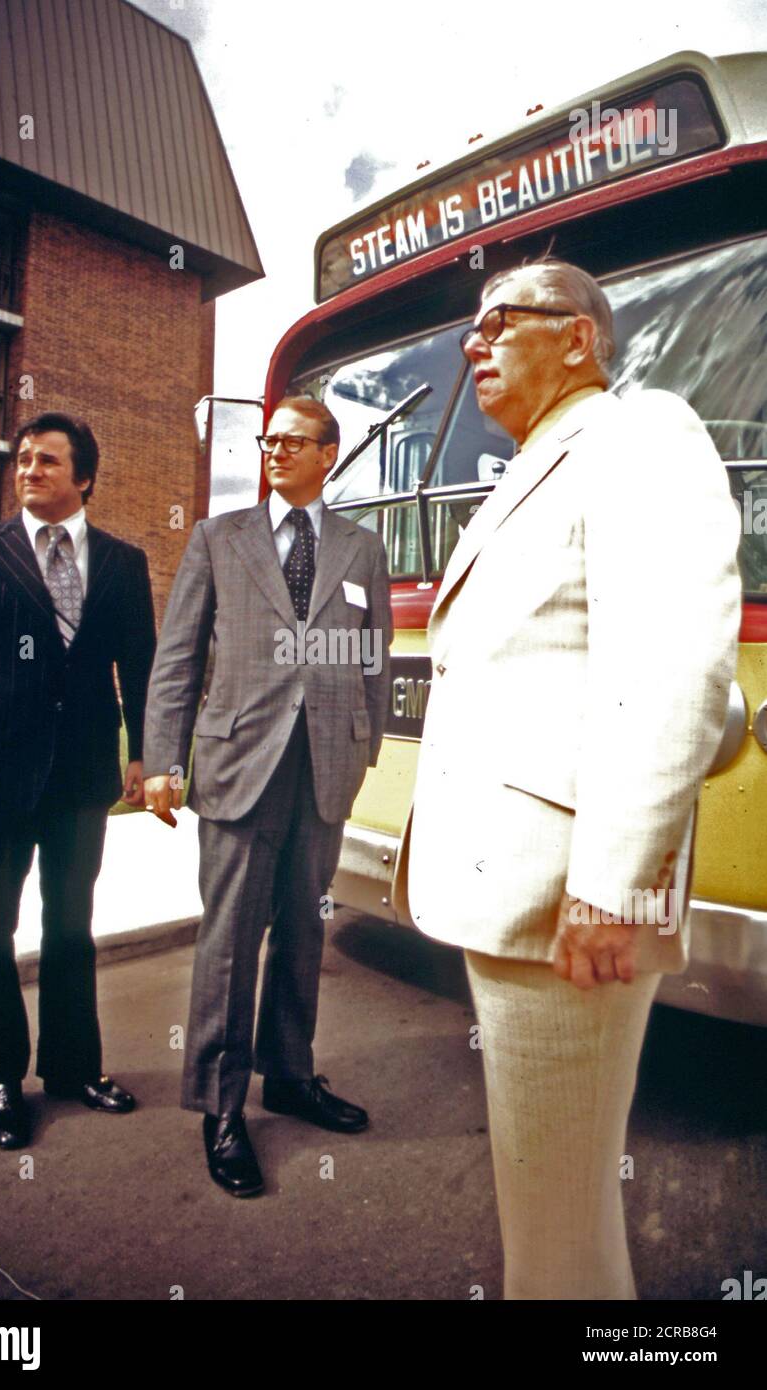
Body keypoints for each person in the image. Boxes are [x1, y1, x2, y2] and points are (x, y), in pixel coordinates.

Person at [393, 259, 741, 1298]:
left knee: (554, 1231)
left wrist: (611, 885)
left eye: (498, 322)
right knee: (550, 1210)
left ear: (578, 337)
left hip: (565, 905)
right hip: (520, 898)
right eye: (472, 325)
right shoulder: (536, 462)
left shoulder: (638, 436)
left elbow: (674, 664)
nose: (472, 343)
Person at [143, 396, 393, 1197]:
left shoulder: (362, 548)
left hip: (323, 769)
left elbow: (373, 661)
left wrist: (365, 750)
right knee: (228, 942)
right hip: (238, 766)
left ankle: (290, 1075)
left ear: (329, 453)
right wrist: (161, 761)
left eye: (293, 441)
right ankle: (221, 1108)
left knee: (304, 935)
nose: (276, 450)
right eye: (269, 440)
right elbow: (177, 658)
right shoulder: (220, 538)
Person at [0, 412, 156, 1150]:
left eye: (48, 460)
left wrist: (145, 751)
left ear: (85, 478)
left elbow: (139, 668)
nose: (29, 469)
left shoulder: (123, 561)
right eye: (22, 459)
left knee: (71, 928)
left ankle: (75, 1068)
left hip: (81, 777)